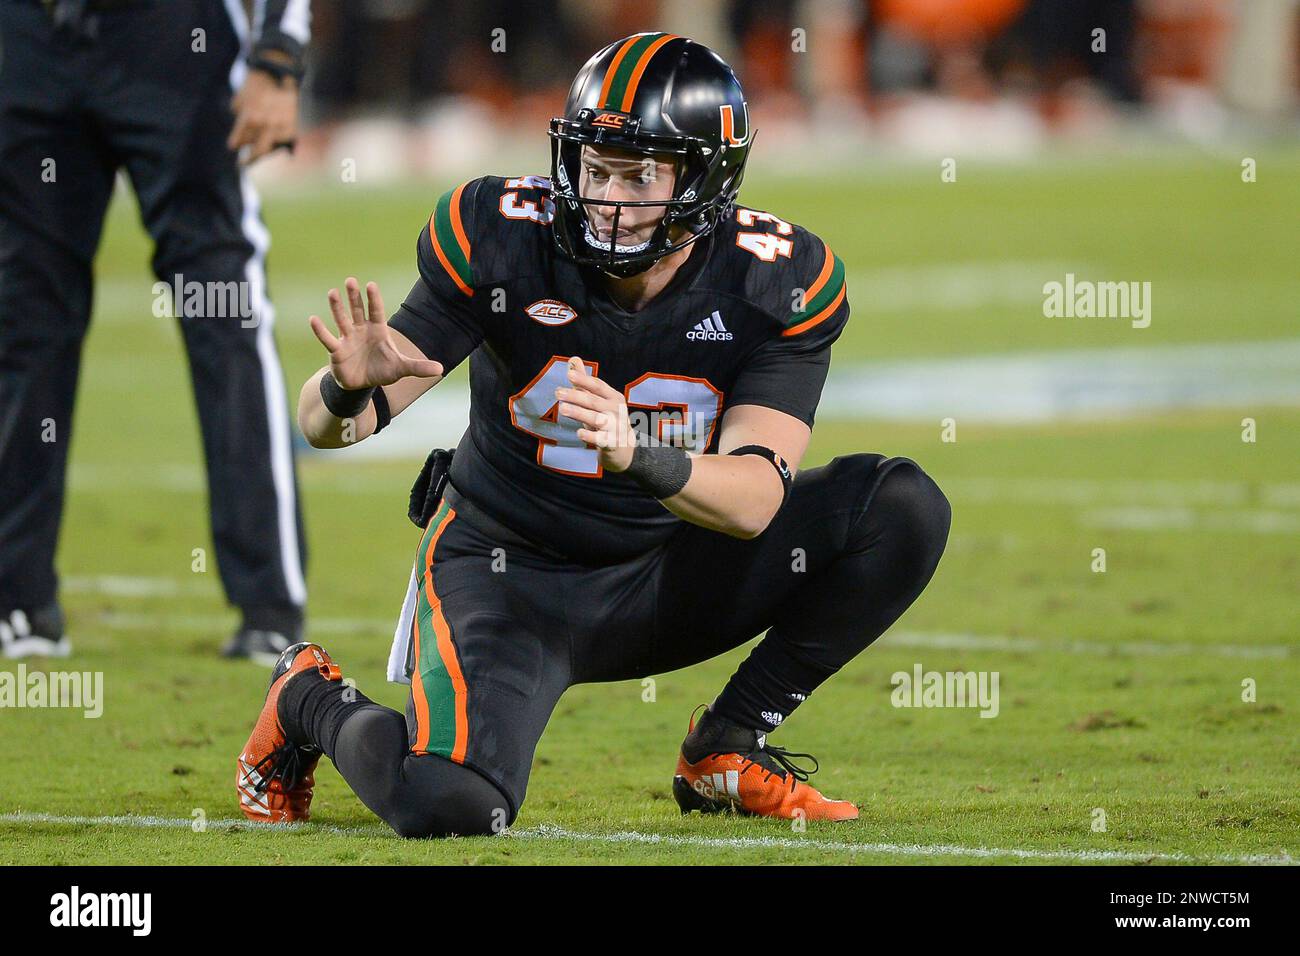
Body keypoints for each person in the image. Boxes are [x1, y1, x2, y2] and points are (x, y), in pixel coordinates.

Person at [236, 33, 951, 836]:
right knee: (453, 805)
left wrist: (637, 452)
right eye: (595, 168)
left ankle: (728, 745)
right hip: (509, 573)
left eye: (640, 173)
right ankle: (306, 698)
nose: (608, 197)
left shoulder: (773, 280)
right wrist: (343, 387)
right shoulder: (502, 236)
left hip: (668, 568)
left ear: (705, 177)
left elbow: (754, 500)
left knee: (902, 508)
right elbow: (330, 427)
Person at [0, 0, 312, 662]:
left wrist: (279, 53)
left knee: (221, 303)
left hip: (171, 34)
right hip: (26, 34)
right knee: (23, 313)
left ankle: (267, 603)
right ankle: (19, 598)